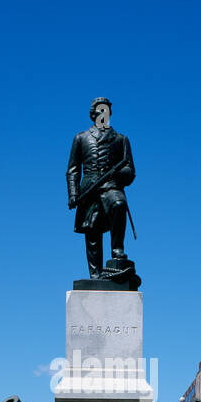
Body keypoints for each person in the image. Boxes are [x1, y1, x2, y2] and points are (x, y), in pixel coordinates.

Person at [66, 97, 136, 280]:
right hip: (89, 188)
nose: (103, 114)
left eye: (106, 111)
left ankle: (117, 250)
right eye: (99, 111)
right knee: (92, 230)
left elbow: (130, 170)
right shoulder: (80, 138)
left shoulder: (121, 139)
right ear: (93, 115)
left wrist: (117, 174)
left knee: (119, 203)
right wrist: (73, 194)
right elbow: (73, 169)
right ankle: (95, 274)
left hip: (111, 186)